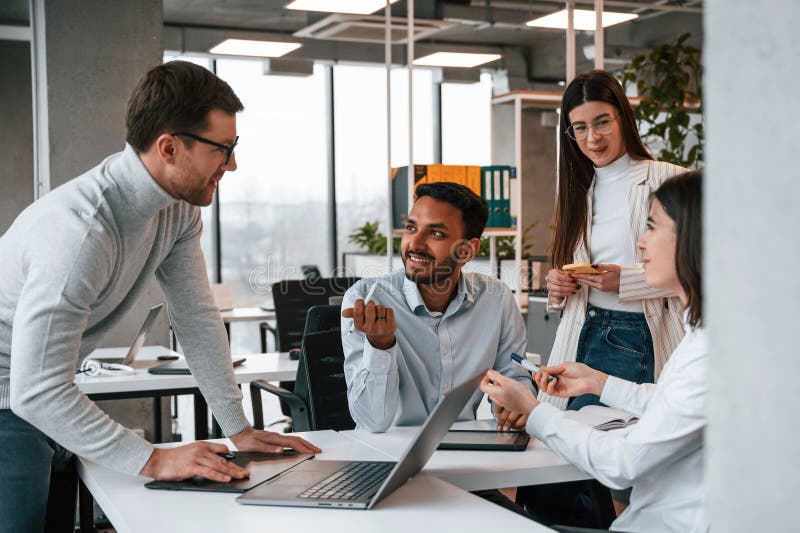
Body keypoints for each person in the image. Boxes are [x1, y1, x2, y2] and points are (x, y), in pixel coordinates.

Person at [0, 61, 320, 532]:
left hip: (37, 393)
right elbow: (34, 389)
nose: (231, 164)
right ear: (169, 147)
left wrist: (238, 428)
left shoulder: (177, 212)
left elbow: (195, 316)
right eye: (223, 150)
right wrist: (155, 459)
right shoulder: (82, 231)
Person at [482, 170, 707, 533]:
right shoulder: (703, 336)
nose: (640, 243)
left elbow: (623, 463)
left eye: (651, 227)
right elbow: (674, 404)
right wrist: (597, 382)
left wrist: (533, 410)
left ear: (693, 237)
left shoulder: (709, 354)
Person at [341, 182, 533, 434]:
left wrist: (516, 404)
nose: (415, 244)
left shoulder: (496, 300)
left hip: (466, 449)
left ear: (467, 250)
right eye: (411, 228)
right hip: (386, 454)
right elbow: (372, 422)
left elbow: (515, 377)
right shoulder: (367, 300)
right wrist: (381, 345)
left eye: (436, 234)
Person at [544, 69, 686, 412]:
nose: (593, 138)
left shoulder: (668, 179)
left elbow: (706, 267)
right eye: (580, 128)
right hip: (582, 331)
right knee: (570, 445)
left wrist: (627, 281)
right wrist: (557, 285)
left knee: (622, 448)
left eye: (602, 122)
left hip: (638, 334)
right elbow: (573, 269)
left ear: (623, 116)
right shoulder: (577, 190)